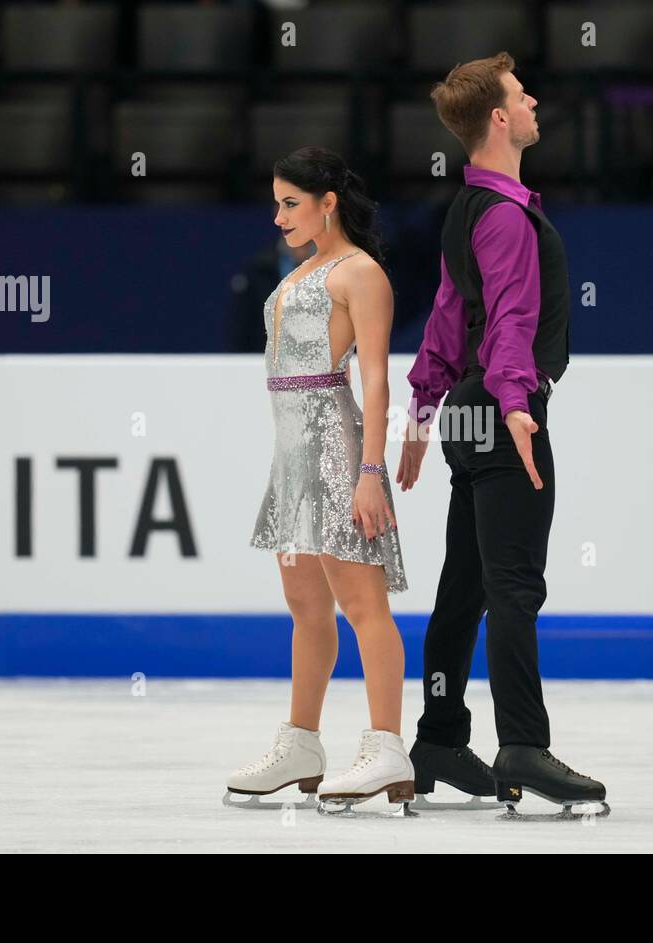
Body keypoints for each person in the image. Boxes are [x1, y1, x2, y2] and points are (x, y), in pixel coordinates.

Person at [396, 52, 607, 815]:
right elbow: (511, 318)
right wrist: (518, 401)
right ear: (497, 119)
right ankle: (521, 743)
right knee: (514, 588)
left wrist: (424, 409)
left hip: (466, 411)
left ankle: (440, 738)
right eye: (522, 96)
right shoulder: (508, 217)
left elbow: (449, 318)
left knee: (467, 585)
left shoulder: (468, 209)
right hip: (502, 408)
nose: (534, 102)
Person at [226, 146, 413, 812]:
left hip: (338, 450)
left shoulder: (360, 273)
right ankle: (303, 742)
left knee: (364, 605)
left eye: (290, 202)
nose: (278, 216)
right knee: (307, 606)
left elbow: (377, 379)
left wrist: (369, 471)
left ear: (327, 202)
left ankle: (387, 744)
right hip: (293, 457)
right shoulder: (302, 271)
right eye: (276, 202)